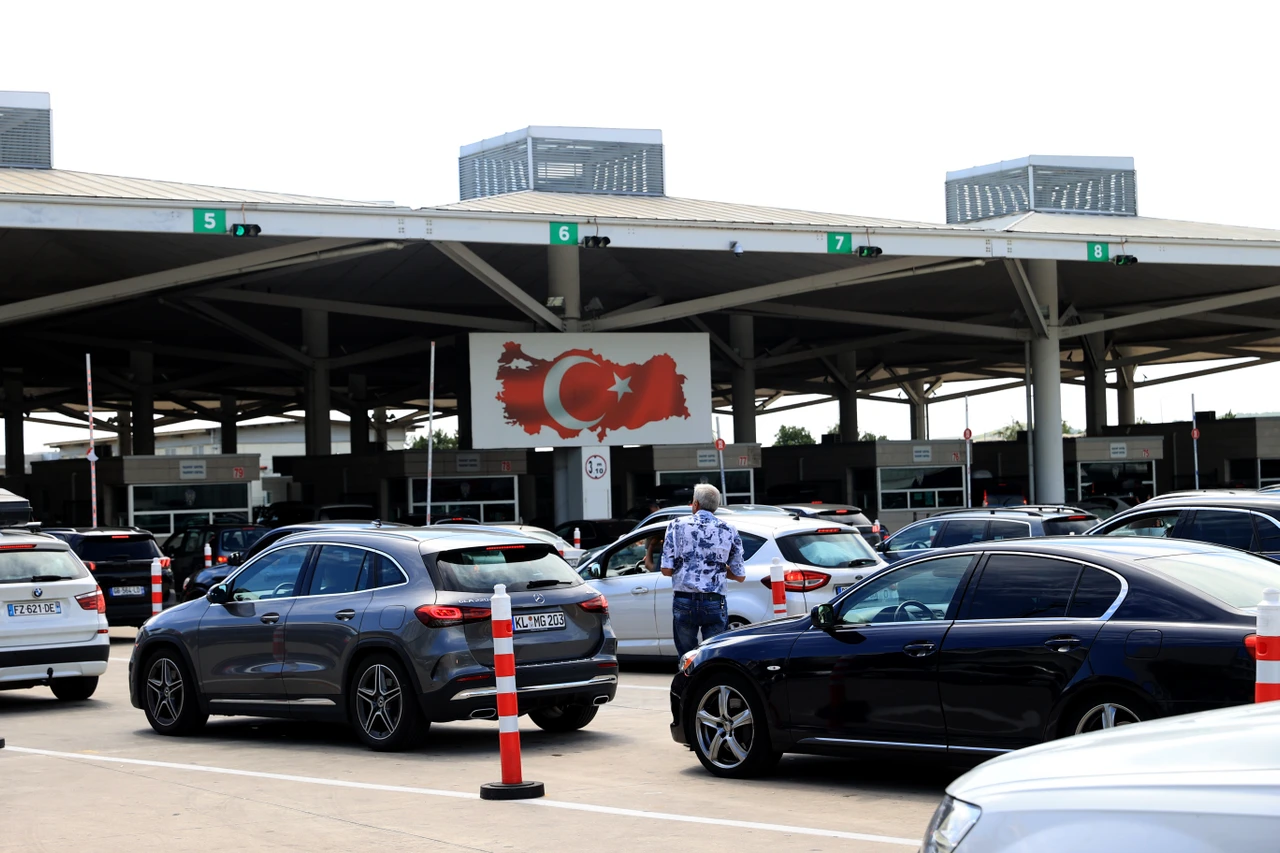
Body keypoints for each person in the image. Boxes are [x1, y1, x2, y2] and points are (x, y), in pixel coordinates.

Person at [659, 483, 745, 657]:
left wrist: (686, 566)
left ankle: (687, 683)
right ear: (716, 506)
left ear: (695, 503)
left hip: (684, 601)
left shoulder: (676, 525)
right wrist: (717, 567)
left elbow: (666, 570)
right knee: (713, 657)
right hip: (715, 601)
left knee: (687, 658)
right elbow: (739, 575)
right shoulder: (729, 529)